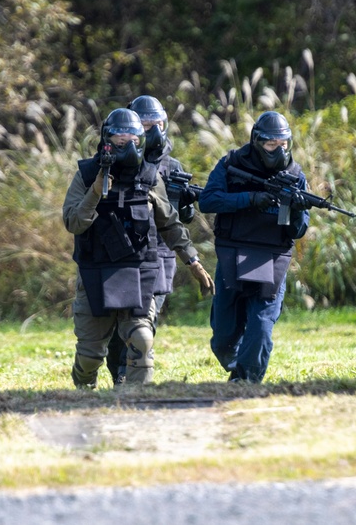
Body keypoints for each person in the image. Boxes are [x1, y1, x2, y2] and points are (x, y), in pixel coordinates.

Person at [63, 108, 214, 388]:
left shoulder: (150, 176)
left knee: (142, 339)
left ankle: (137, 399)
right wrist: (95, 191)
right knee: (90, 356)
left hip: (139, 272)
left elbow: (170, 224)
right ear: (107, 141)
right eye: (121, 141)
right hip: (96, 272)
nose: (128, 147)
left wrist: (193, 261)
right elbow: (74, 222)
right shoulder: (86, 174)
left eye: (134, 140)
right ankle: (83, 394)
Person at [198, 111, 310, 383]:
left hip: (272, 256)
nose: (279, 150)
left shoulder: (295, 175)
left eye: (284, 144)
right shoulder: (231, 163)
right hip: (232, 252)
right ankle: (238, 367)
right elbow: (208, 201)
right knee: (223, 336)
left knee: (260, 326)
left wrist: (296, 209)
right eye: (272, 144)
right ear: (257, 142)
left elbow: (298, 231)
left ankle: (246, 381)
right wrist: (250, 199)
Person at [105, 95, 201, 385]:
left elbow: (181, 219)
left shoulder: (172, 165)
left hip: (159, 254)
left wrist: (183, 201)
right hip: (119, 252)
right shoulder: (111, 161)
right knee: (116, 325)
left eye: (158, 124)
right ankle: (119, 370)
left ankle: (129, 375)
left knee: (146, 319)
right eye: (146, 126)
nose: (154, 132)